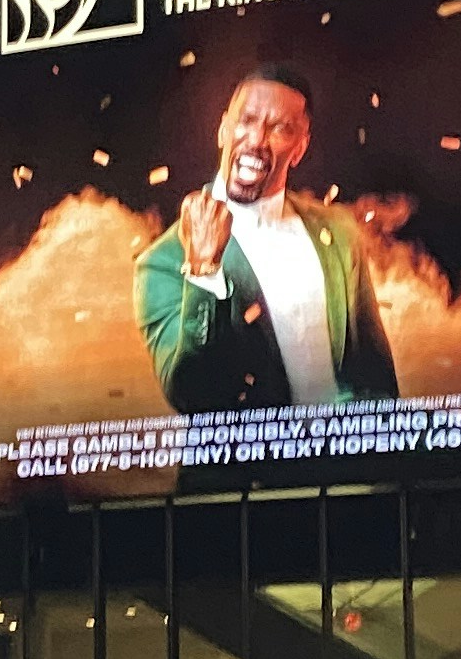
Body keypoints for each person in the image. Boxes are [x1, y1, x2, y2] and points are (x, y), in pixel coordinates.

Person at [132, 62, 398, 418]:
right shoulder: (161, 261)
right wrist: (203, 271)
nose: (256, 140)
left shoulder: (337, 233)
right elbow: (194, 396)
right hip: (250, 471)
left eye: (279, 129)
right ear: (223, 130)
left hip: (344, 465)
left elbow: (375, 377)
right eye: (247, 121)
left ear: (300, 148)